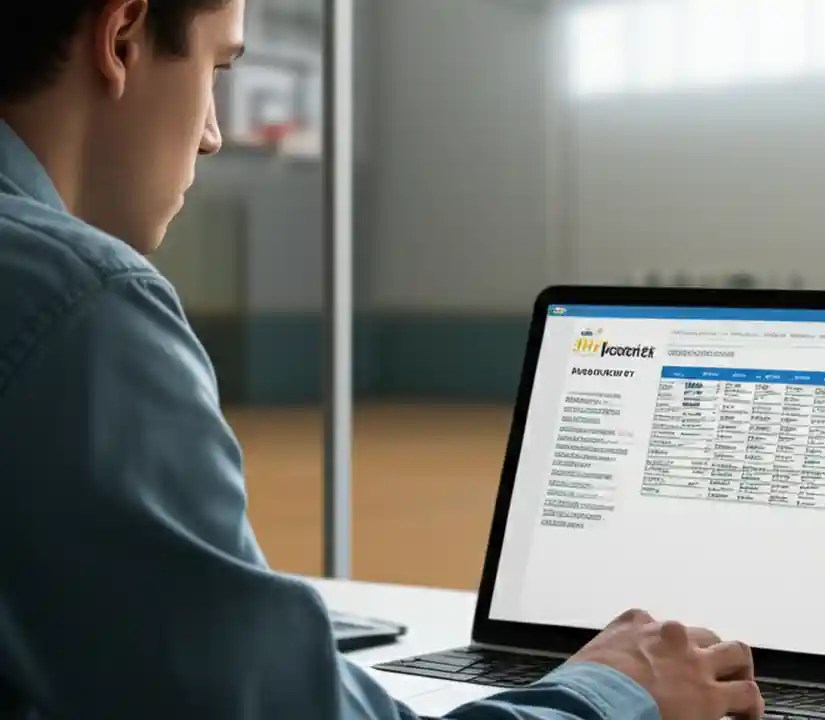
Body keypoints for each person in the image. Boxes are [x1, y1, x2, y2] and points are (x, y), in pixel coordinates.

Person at [0, 1, 768, 718]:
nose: (212, 132)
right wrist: (611, 690)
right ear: (123, 36)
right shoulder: (79, 304)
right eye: (218, 70)